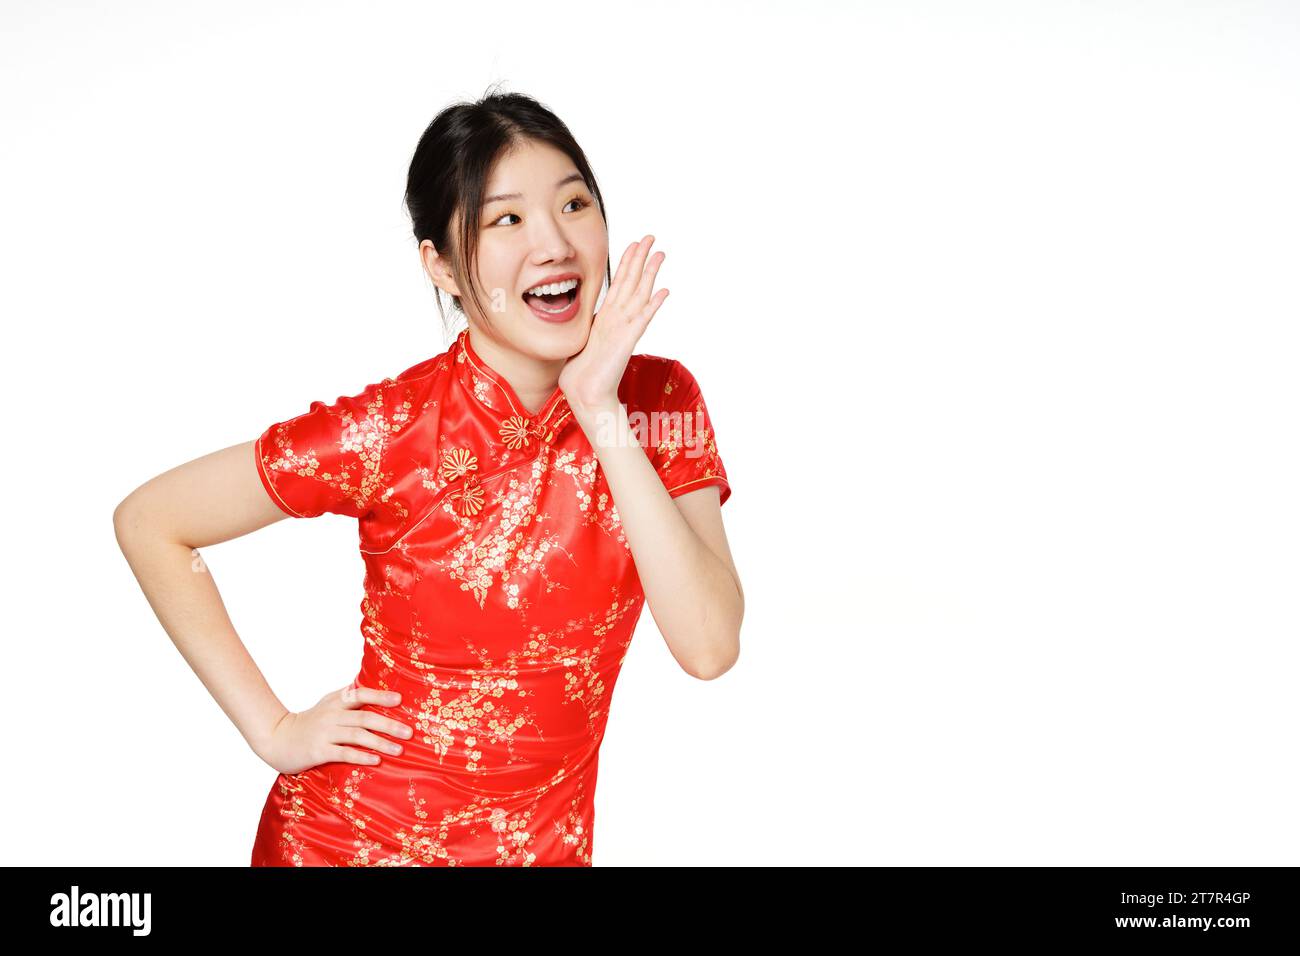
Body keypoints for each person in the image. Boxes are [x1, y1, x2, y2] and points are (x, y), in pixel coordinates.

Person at [113, 90, 743, 866]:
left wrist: (598, 407)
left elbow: (709, 646)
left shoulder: (657, 403)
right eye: (505, 219)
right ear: (439, 264)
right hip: (349, 843)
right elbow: (152, 522)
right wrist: (273, 729)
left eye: (574, 203)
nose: (554, 243)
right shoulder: (392, 429)